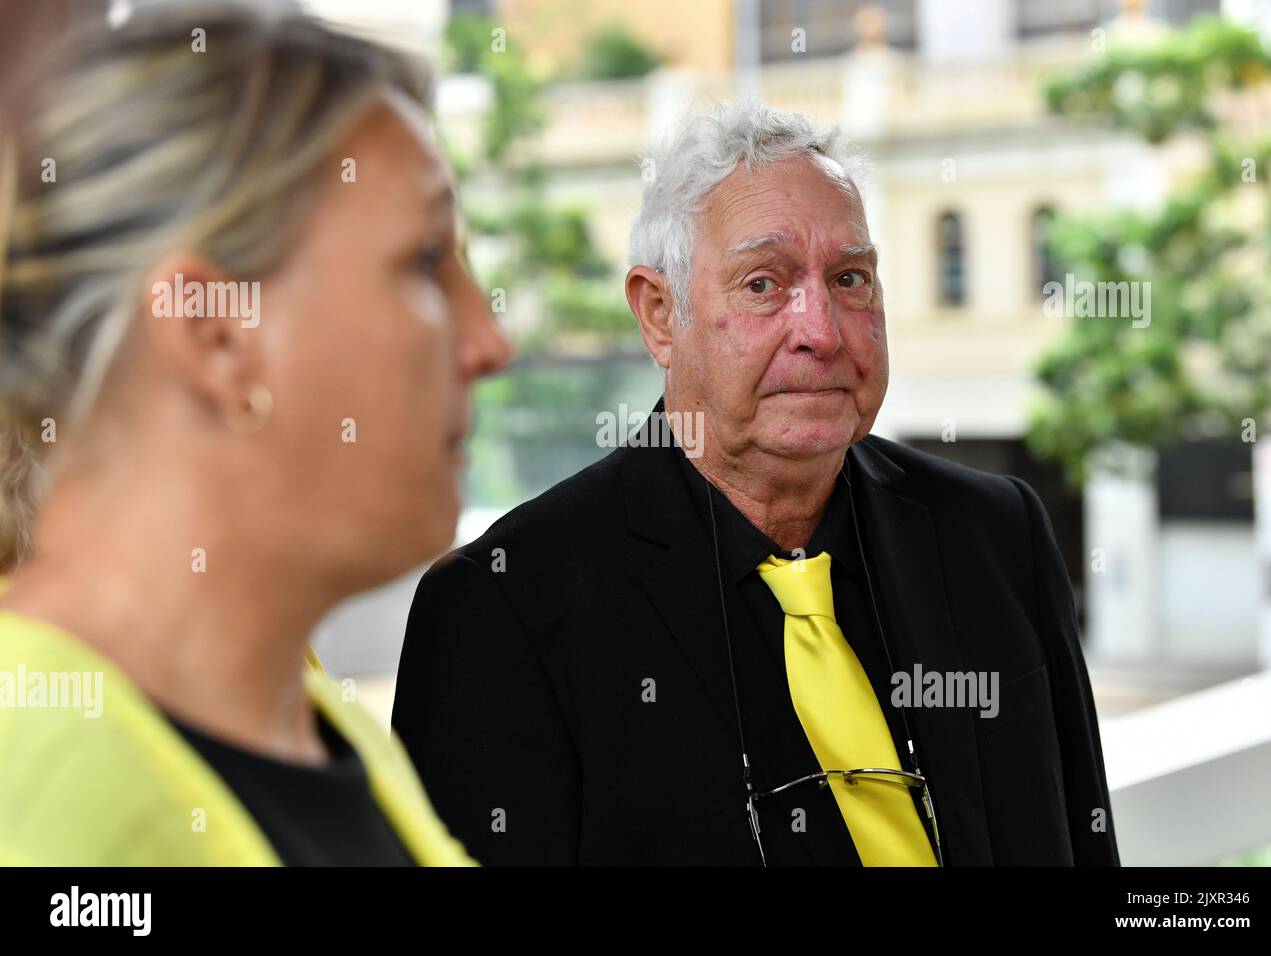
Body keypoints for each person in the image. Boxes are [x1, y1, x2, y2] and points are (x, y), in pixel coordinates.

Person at [393, 99, 1120, 866]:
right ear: (659, 314)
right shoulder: (505, 607)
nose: (823, 330)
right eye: (764, 285)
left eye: (850, 279)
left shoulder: (996, 534)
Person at [0, 1, 510, 865]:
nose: (490, 342)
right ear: (216, 336)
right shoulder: (39, 789)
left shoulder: (329, 729)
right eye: (425, 261)